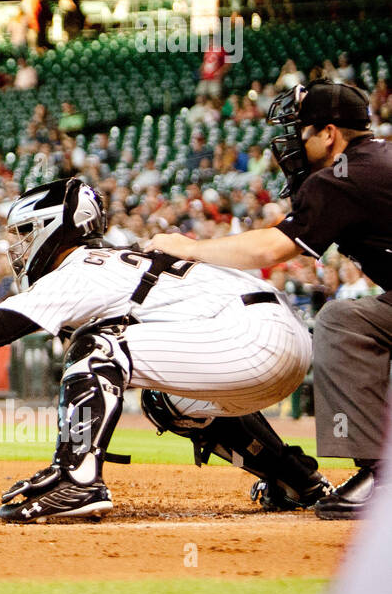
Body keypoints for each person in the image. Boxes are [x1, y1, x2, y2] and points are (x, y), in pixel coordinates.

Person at [0, 177, 329, 523]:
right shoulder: (113, 261)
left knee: (98, 345)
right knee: (165, 400)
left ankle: (77, 482)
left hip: (249, 338)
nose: (19, 249)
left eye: (25, 235)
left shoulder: (82, 265)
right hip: (277, 338)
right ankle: (297, 479)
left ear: (50, 229)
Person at [147, 80, 390, 519]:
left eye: (302, 130)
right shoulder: (373, 162)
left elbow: (270, 249)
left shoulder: (344, 174)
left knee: (344, 321)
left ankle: (381, 475)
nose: (293, 142)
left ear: (329, 133)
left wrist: (190, 247)